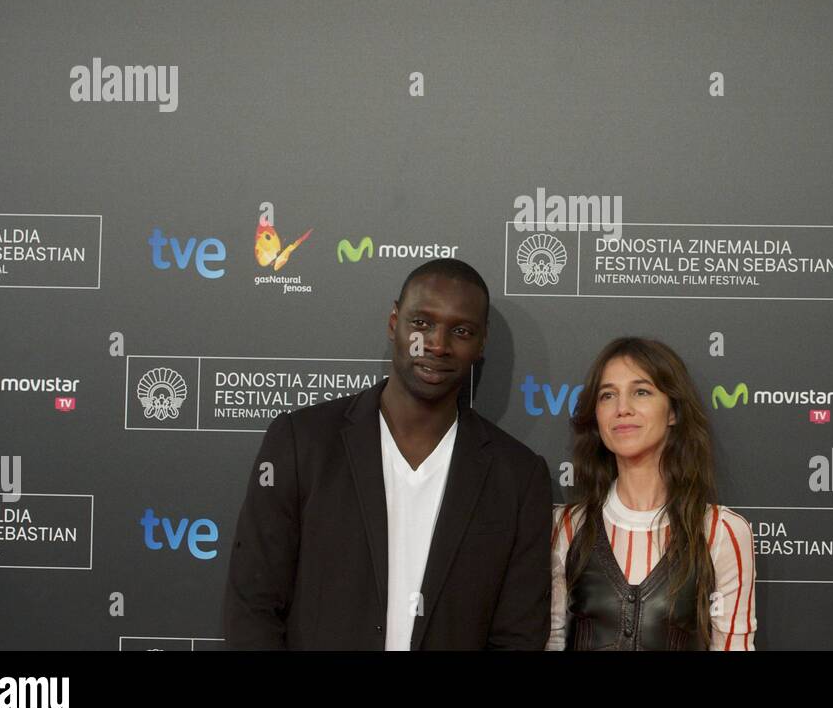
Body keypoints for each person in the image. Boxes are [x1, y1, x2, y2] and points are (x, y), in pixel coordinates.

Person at [223, 259, 551, 649]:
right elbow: (252, 606)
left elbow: (518, 636)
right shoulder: (302, 442)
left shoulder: (518, 476)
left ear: (481, 344)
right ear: (394, 322)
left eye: (460, 331)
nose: (437, 345)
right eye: (422, 323)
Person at [548, 337, 756, 650]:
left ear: (673, 412)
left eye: (641, 392)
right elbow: (550, 640)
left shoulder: (720, 532)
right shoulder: (566, 526)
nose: (622, 409)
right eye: (607, 395)